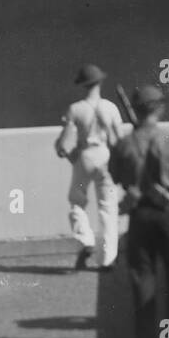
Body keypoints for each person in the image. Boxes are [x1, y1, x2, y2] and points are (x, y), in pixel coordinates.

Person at [109, 86, 169, 338]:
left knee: (142, 274)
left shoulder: (124, 144)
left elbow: (116, 176)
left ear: (135, 110)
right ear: (160, 108)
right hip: (167, 214)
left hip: (139, 215)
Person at [55, 64, 124, 270]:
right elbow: (119, 139)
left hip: (84, 156)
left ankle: (85, 240)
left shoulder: (76, 108)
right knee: (108, 208)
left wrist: (62, 149)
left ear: (83, 85)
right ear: (100, 82)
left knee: (77, 201)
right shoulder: (111, 107)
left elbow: (64, 142)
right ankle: (107, 259)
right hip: (105, 156)